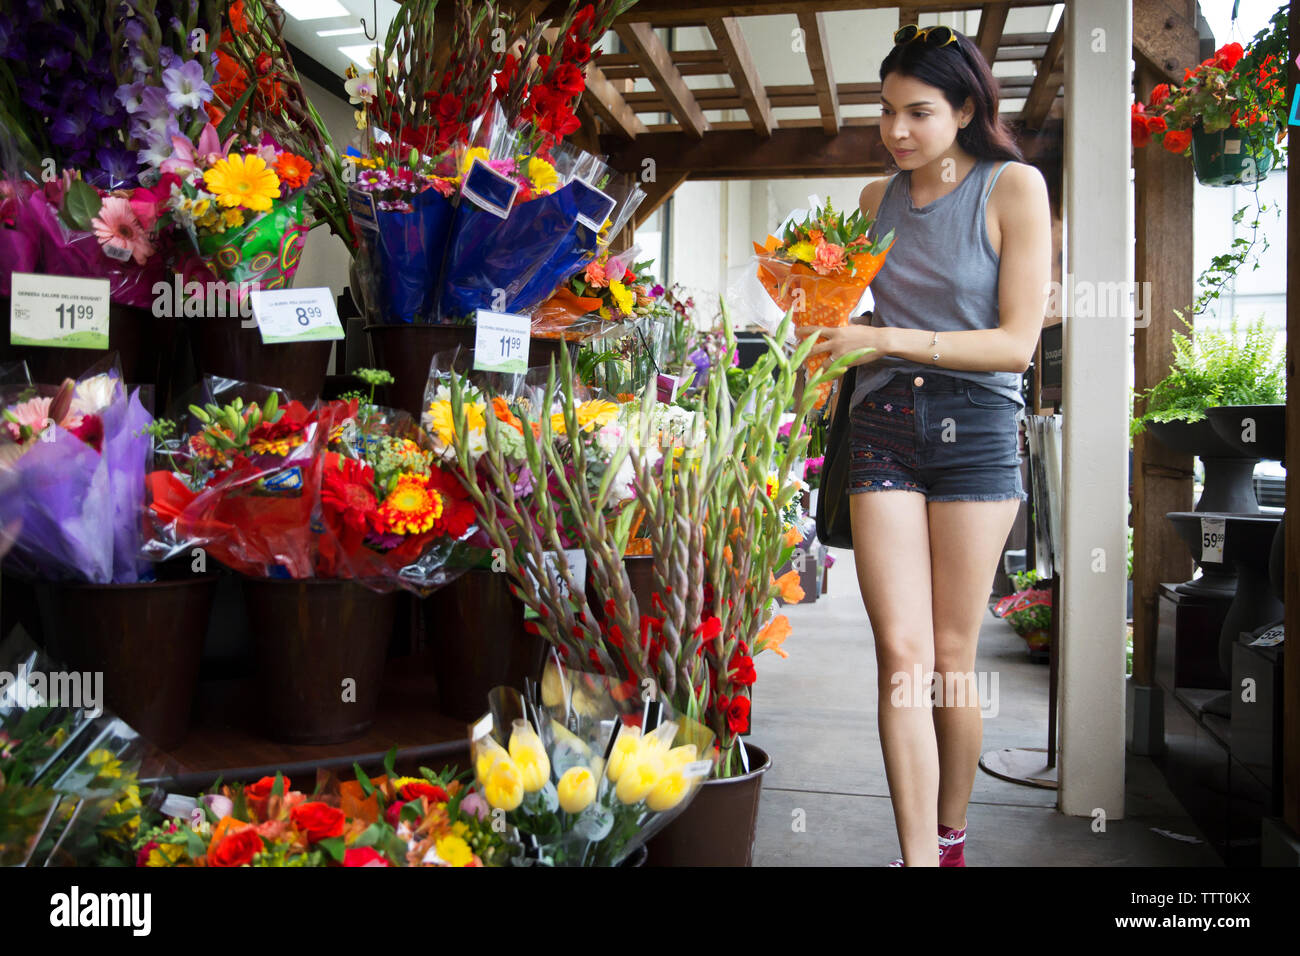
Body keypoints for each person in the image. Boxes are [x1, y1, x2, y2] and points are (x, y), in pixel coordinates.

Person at [802, 25, 1051, 867]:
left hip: (976, 429)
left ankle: (951, 838)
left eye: (919, 112)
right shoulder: (877, 202)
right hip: (880, 426)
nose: (897, 130)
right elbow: (865, 321)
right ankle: (916, 859)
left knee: (950, 654)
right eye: (887, 111)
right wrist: (829, 331)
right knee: (900, 651)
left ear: (967, 110)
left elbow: (1016, 343)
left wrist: (890, 339)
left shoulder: (1014, 189)